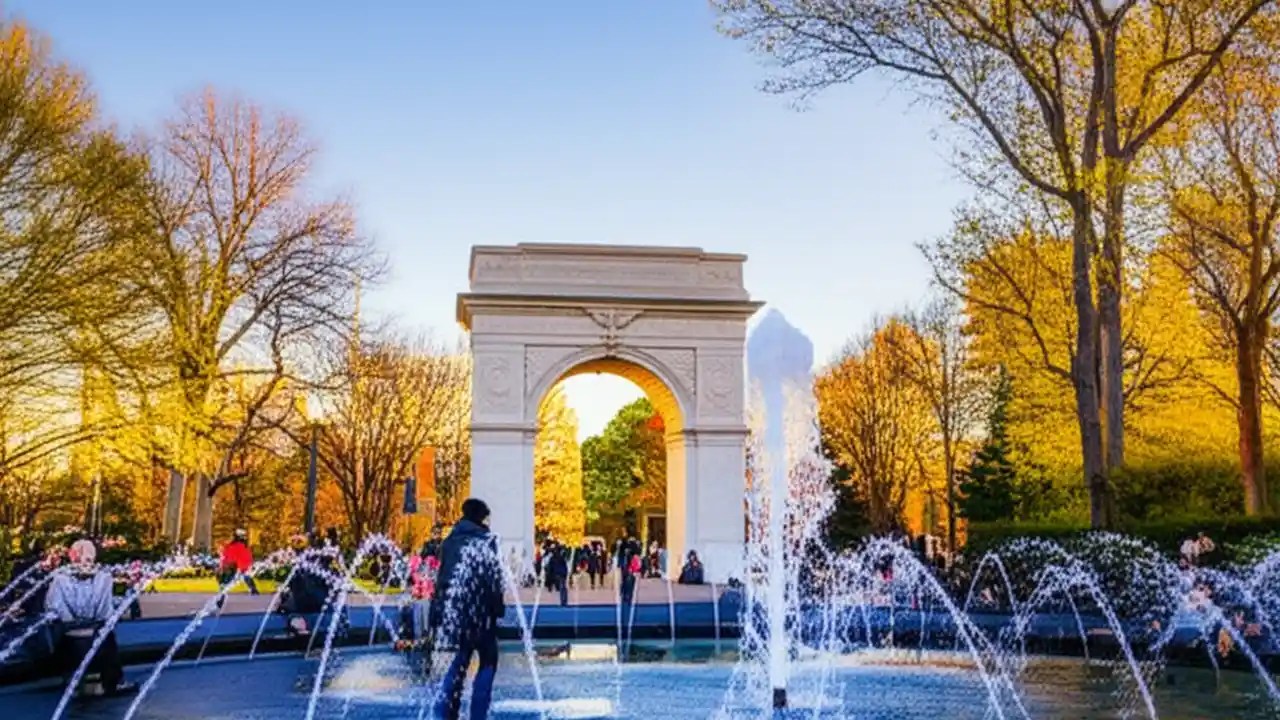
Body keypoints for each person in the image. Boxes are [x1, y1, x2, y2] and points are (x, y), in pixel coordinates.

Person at [431, 498, 505, 720]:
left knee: (461, 658)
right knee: (489, 659)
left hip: (455, 611)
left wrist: (439, 612)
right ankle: (478, 713)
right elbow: (493, 578)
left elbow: (443, 578)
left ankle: (445, 711)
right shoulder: (486, 540)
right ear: (481, 517)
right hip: (481, 610)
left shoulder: (449, 541)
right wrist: (497, 607)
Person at [45, 539, 137, 697]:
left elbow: (104, 611)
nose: (85, 562)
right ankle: (109, 683)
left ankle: (111, 682)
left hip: (90, 630)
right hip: (71, 633)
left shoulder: (103, 579)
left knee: (106, 637)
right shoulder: (60, 579)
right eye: (82, 557)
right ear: (73, 558)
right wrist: (77, 626)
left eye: (89, 558)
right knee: (97, 639)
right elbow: (56, 610)